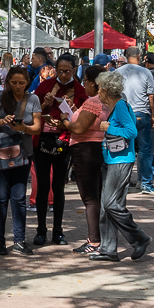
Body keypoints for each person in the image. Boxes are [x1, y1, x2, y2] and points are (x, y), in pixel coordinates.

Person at [88, 70, 152, 262]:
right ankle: (109, 249)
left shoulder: (121, 106)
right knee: (106, 207)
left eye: (100, 89)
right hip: (112, 159)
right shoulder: (117, 106)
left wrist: (109, 128)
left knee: (110, 204)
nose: (98, 93)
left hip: (120, 160)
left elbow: (131, 132)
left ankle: (139, 238)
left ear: (106, 90)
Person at [0, 66, 41, 255]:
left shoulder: (32, 99)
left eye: (21, 83)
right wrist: (3, 121)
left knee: (18, 198)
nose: (17, 87)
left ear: (27, 83)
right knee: (1, 197)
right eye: (14, 83)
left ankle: (19, 240)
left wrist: (23, 127)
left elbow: (37, 127)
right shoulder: (1, 97)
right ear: (8, 82)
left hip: (23, 153)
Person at [32, 54, 87, 245]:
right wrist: (45, 104)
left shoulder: (79, 90)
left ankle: (58, 230)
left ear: (74, 70)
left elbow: (83, 118)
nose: (63, 75)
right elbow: (31, 111)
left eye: (68, 71)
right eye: (60, 71)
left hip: (64, 139)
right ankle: (40, 230)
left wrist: (72, 110)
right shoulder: (46, 85)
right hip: (42, 139)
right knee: (42, 186)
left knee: (58, 187)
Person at [62, 66, 108, 254]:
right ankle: (98, 238)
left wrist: (65, 121)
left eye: (85, 81)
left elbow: (79, 128)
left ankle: (94, 240)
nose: (83, 85)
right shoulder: (105, 101)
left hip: (85, 149)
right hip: (96, 148)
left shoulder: (93, 101)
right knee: (95, 196)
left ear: (93, 83)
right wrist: (73, 110)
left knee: (89, 198)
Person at [115, 47, 154, 196]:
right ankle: (146, 183)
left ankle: (123, 183)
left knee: (123, 149)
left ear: (126, 56)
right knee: (145, 150)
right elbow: (151, 97)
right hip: (141, 114)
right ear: (139, 57)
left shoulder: (117, 72)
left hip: (123, 114)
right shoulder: (145, 72)